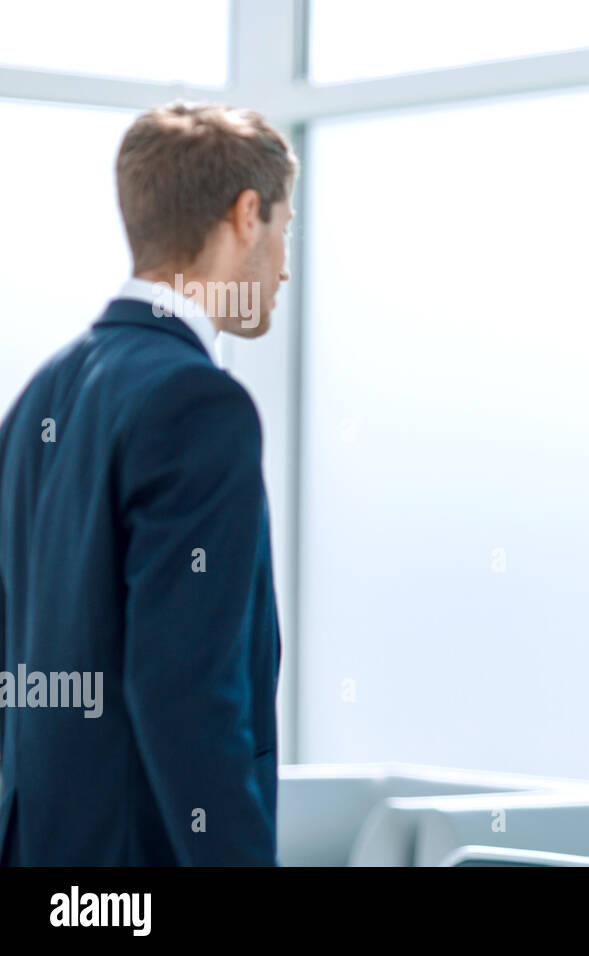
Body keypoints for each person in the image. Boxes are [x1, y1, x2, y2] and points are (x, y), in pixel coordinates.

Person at [0, 102, 296, 865]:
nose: (286, 265)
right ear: (246, 214)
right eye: (285, 229)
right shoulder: (199, 406)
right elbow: (186, 693)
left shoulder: (43, 395)